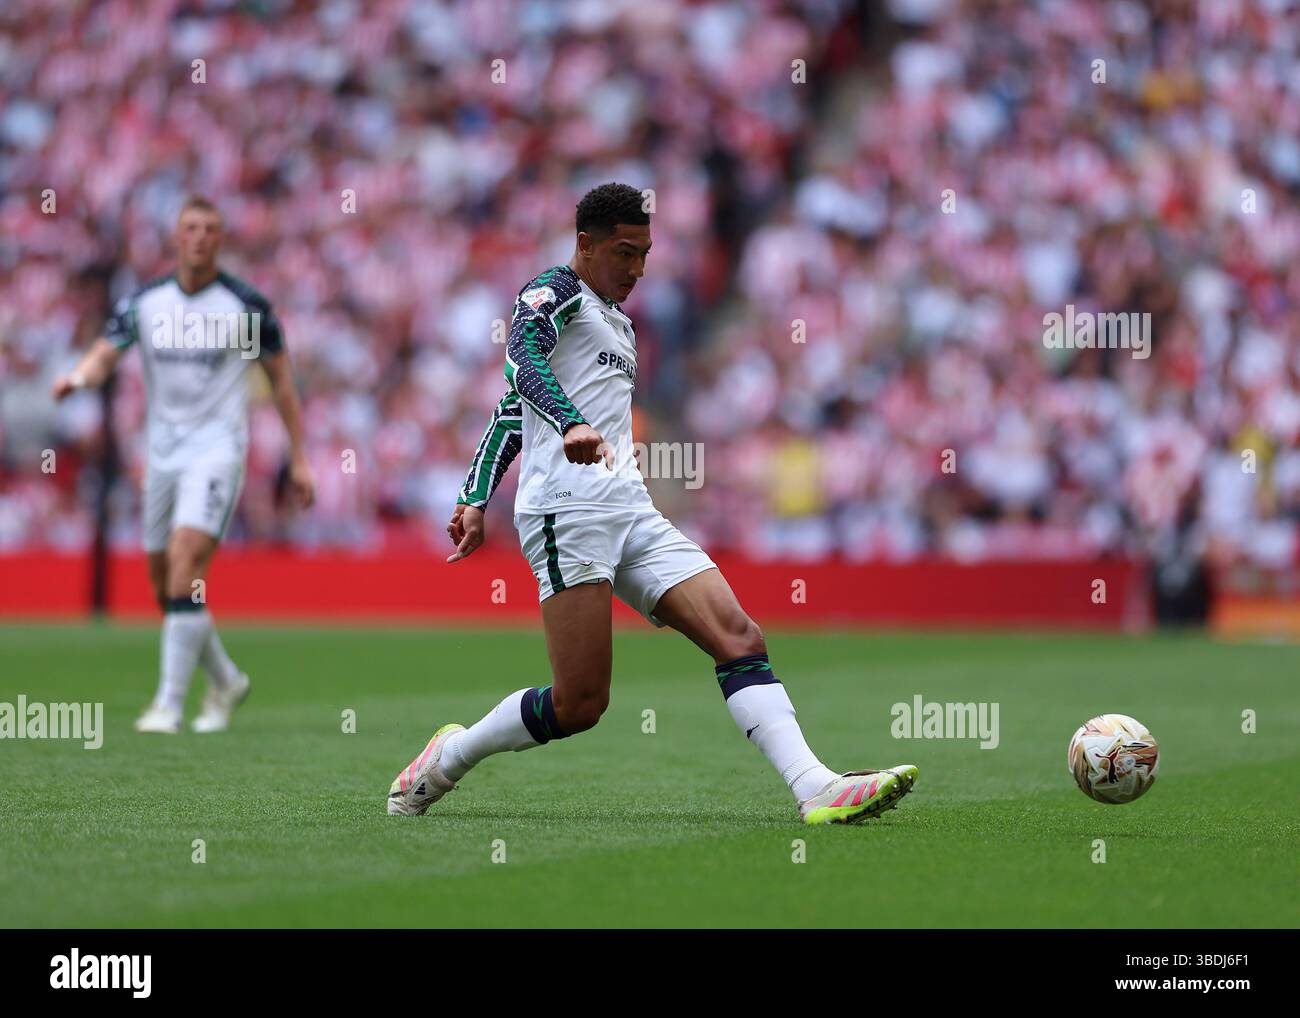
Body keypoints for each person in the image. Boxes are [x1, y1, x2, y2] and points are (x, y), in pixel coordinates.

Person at [386, 183, 915, 824]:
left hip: (630, 509)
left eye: (645, 254)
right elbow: (518, 365)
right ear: (585, 242)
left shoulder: (621, 324)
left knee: (738, 636)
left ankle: (816, 787)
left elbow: (512, 414)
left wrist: (481, 491)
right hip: (566, 511)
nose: (637, 269)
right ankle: (450, 757)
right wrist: (528, 454)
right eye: (624, 252)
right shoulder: (551, 294)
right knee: (580, 703)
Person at [52, 196, 315, 733]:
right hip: (163, 452)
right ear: (176, 237)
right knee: (167, 583)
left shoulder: (244, 306)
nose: (199, 237)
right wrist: (79, 377)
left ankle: (168, 704)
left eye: (210, 229)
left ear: (221, 239)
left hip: (218, 448)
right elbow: (108, 350)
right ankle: (225, 679)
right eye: (190, 227)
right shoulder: (148, 303)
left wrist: (300, 457)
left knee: (184, 559)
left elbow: (282, 381)